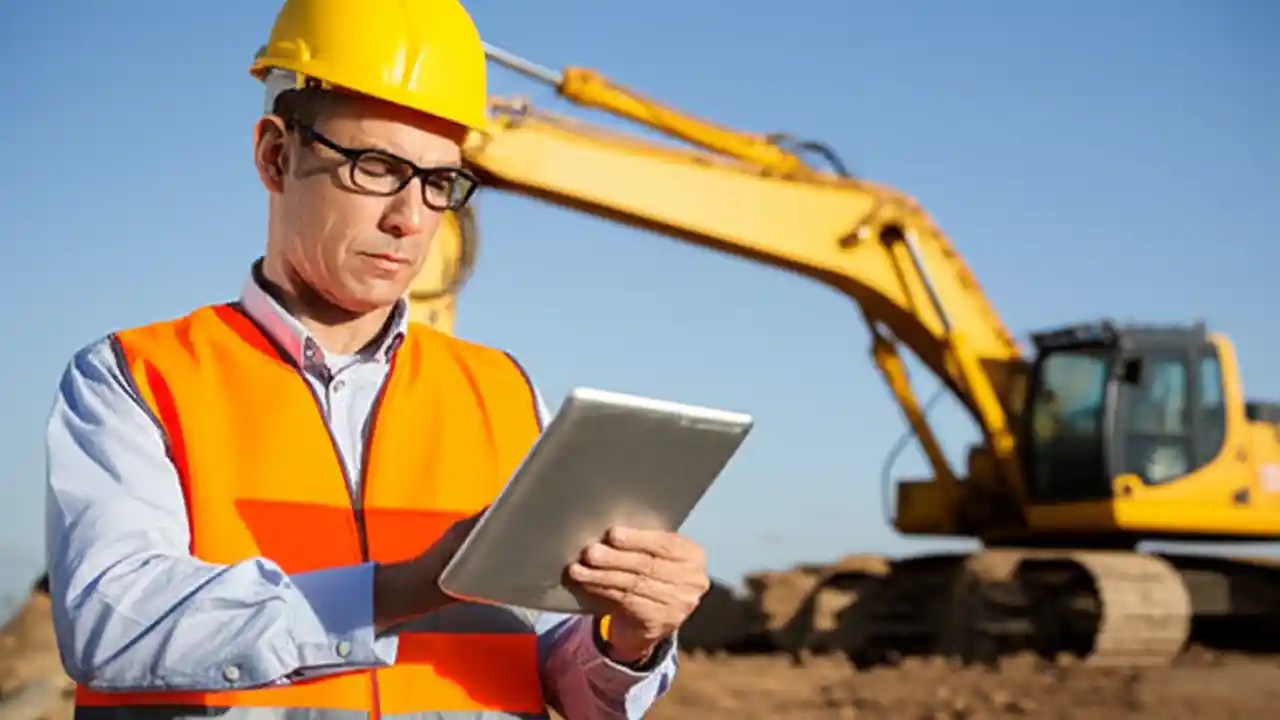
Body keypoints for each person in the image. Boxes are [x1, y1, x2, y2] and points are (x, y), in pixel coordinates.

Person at [42, 1, 710, 718]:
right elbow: (112, 623)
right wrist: (407, 587)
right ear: (275, 156)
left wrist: (626, 642)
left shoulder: (503, 393)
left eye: (438, 182)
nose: (411, 218)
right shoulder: (136, 377)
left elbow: (555, 673)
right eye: (377, 167)